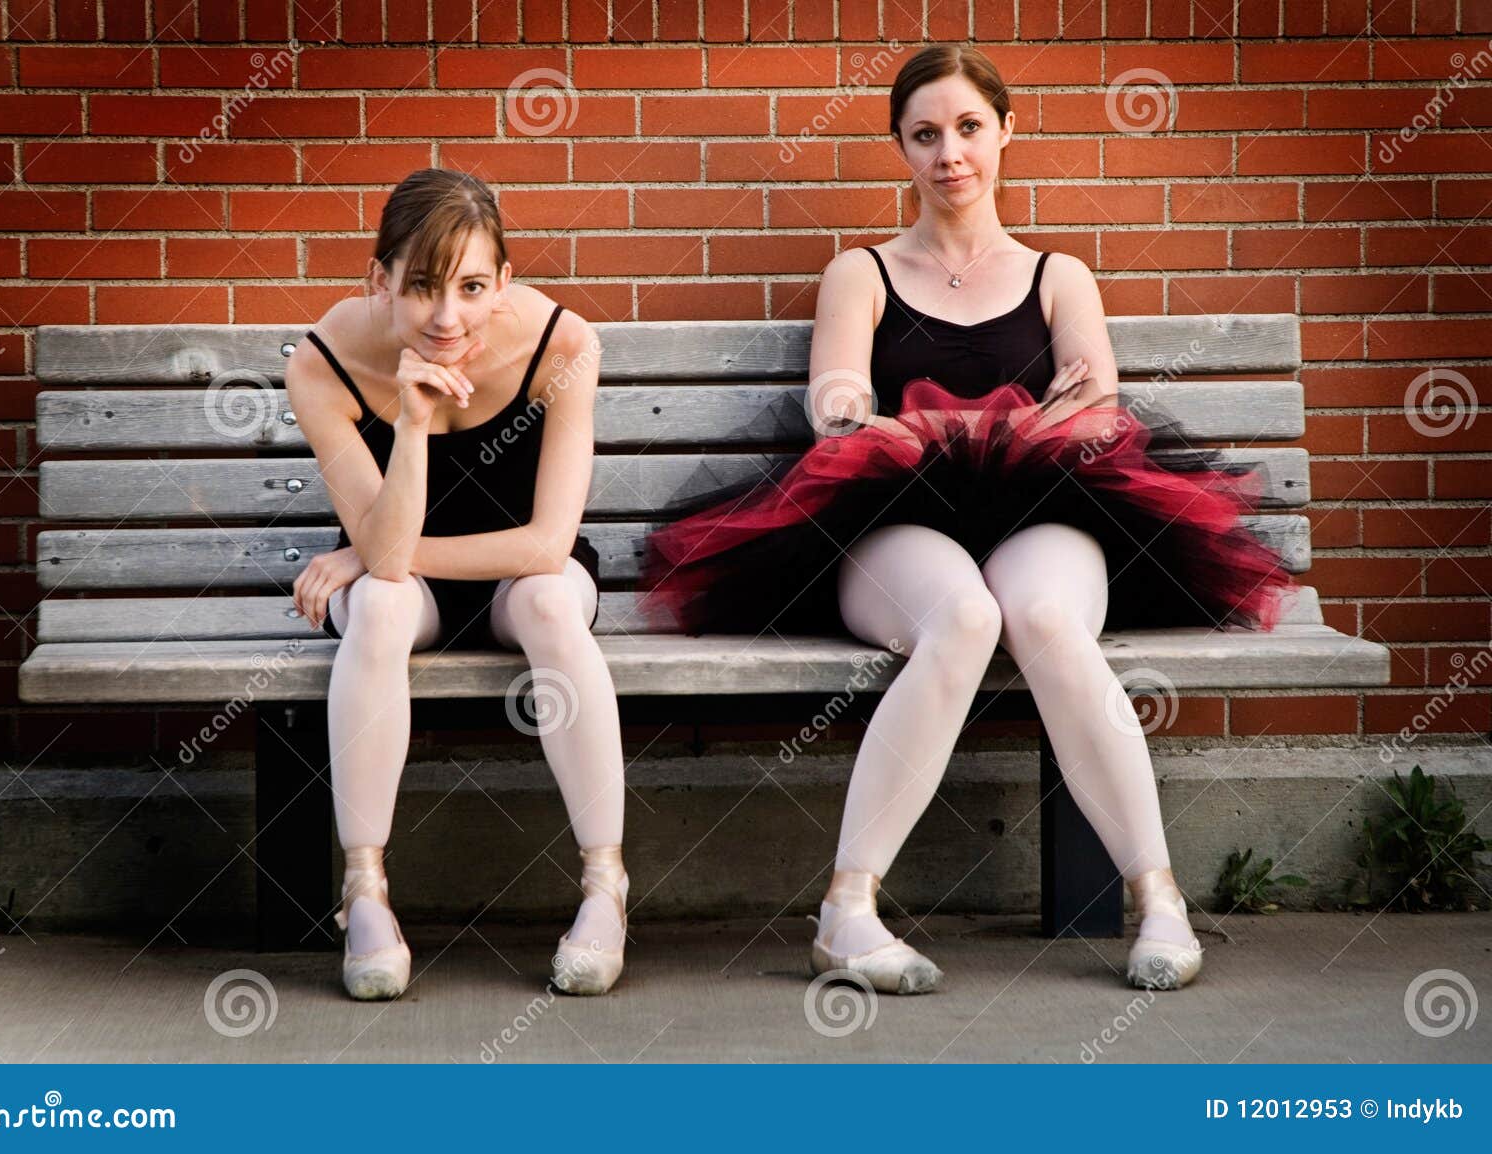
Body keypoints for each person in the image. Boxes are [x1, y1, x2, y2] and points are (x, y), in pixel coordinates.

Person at [637, 45, 1297, 993]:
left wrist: (931, 420)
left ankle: (1157, 899)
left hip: (1047, 510)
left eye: (969, 128)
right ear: (900, 149)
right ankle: (849, 914)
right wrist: (973, 414)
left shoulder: (1058, 275)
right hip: (893, 515)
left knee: (1041, 616)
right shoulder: (859, 272)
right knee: (966, 617)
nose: (951, 154)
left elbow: (1098, 413)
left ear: (1006, 132)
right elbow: (838, 401)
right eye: (926, 135)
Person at [284, 168, 628, 1000]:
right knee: (378, 604)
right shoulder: (324, 364)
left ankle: (605, 887)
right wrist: (411, 420)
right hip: (409, 593)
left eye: (474, 287)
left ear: (504, 282)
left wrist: (372, 549)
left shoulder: (564, 345)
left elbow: (548, 543)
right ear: (380, 282)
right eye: (423, 288)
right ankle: (364, 894)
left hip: (526, 575)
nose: (448, 317)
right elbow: (393, 568)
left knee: (548, 602)